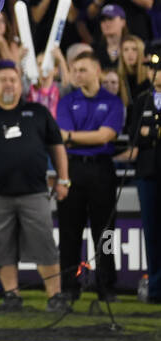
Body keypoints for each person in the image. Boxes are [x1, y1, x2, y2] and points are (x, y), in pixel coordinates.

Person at [0, 59, 70, 311]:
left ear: (20, 85)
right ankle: (12, 296)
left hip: (34, 194)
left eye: (12, 80)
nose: (8, 84)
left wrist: (63, 179)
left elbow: (57, 147)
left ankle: (55, 296)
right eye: (3, 80)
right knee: (2, 249)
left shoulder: (38, 112)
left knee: (45, 245)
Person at [56, 51, 124, 302]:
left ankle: (106, 285)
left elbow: (106, 135)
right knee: (69, 232)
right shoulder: (66, 101)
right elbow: (62, 135)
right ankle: (69, 287)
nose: (77, 74)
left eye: (83, 69)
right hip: (72, 168)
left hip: (101, 170)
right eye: (75, 70)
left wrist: (73, 138)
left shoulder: (113, 102)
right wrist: (88, 137)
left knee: (104, 232)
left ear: (98, 71)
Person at [126, 50, 161, 303]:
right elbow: (135, 135)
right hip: (147, 174)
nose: (155, 73)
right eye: (150, 68)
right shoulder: (142, 99)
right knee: (151, 232)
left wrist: (153, 132)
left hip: (150, 166)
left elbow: (147, 133)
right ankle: (156, 288)